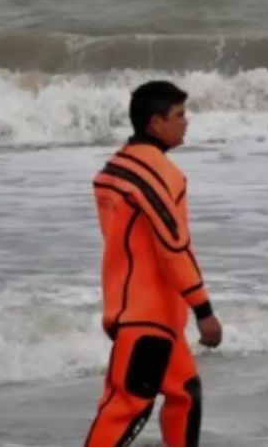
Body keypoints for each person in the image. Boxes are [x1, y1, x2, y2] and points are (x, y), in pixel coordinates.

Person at [84, 80, 223, 447]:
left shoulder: (115, 169)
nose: (186, 122)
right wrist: (203, 310)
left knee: (185, 395)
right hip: (147, 316)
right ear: (154, 123)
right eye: (178, 116)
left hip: (142, 311)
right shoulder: (158, 173)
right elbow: (173, 247)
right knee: (126, 406)